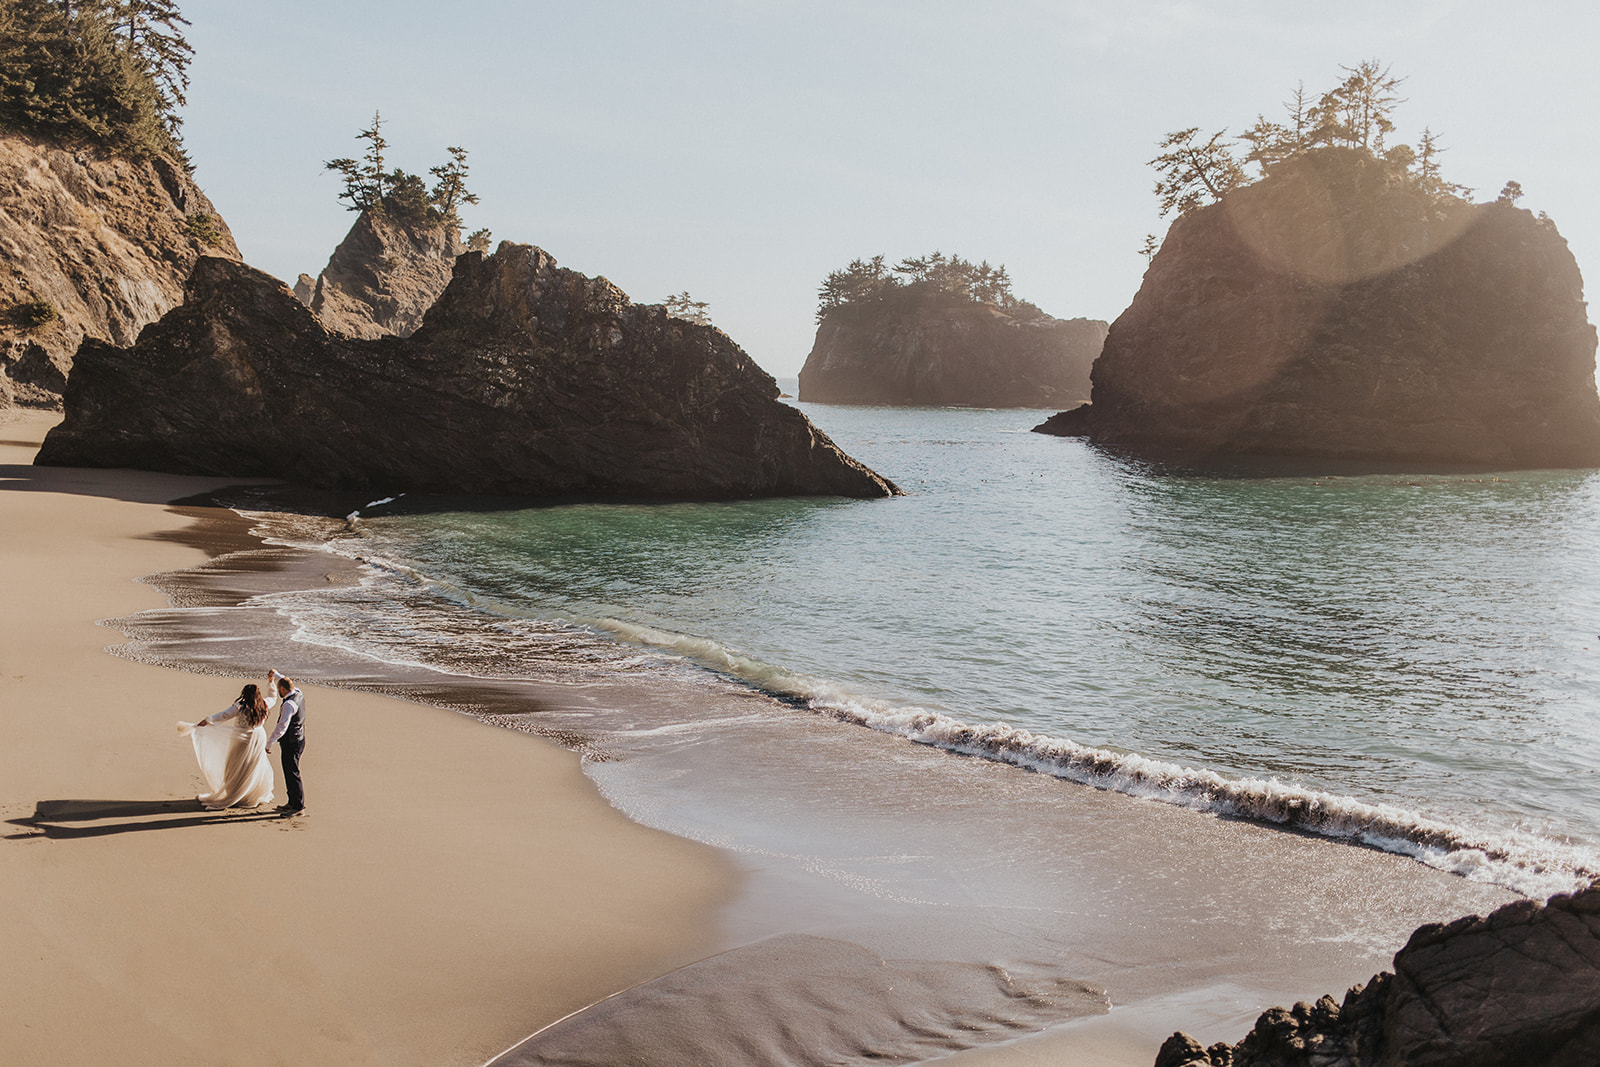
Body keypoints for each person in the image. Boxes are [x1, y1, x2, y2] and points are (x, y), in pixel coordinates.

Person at [178, 682, 276, 810]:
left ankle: (236, 793)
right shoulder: (264, 704)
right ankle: (249, 794)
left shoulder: (240, 706)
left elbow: (224, 715)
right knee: (253, 766)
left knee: (236, 766)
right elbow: (274, 697)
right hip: (259, 737)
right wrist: (271, 682)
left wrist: (207, 721)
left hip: (242, 739)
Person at [266, 670, 306, 817]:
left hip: (291, 742)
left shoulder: (289, 704)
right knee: (288, 772)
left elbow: (282, 727)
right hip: (299, 738)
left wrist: (269, 743)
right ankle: (292, 802)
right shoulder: (297, 692)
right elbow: (285, 680)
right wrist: (275, 674)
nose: (279, 692)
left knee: (292, 773)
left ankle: (298, 806)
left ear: (282, 690)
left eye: (279, 690)